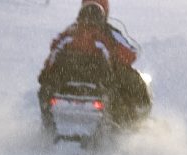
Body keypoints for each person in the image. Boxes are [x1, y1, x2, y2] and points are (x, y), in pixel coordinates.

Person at [37, 0, 151, 130]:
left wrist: (46, 75)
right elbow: (127, 55)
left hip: (66, 83)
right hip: (98, 83)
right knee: (127, 87)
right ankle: (128, 122)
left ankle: (49, 126)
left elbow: (54, 51)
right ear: (103, 14)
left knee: (44, 91)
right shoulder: (107, 34)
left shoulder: (69, 33)